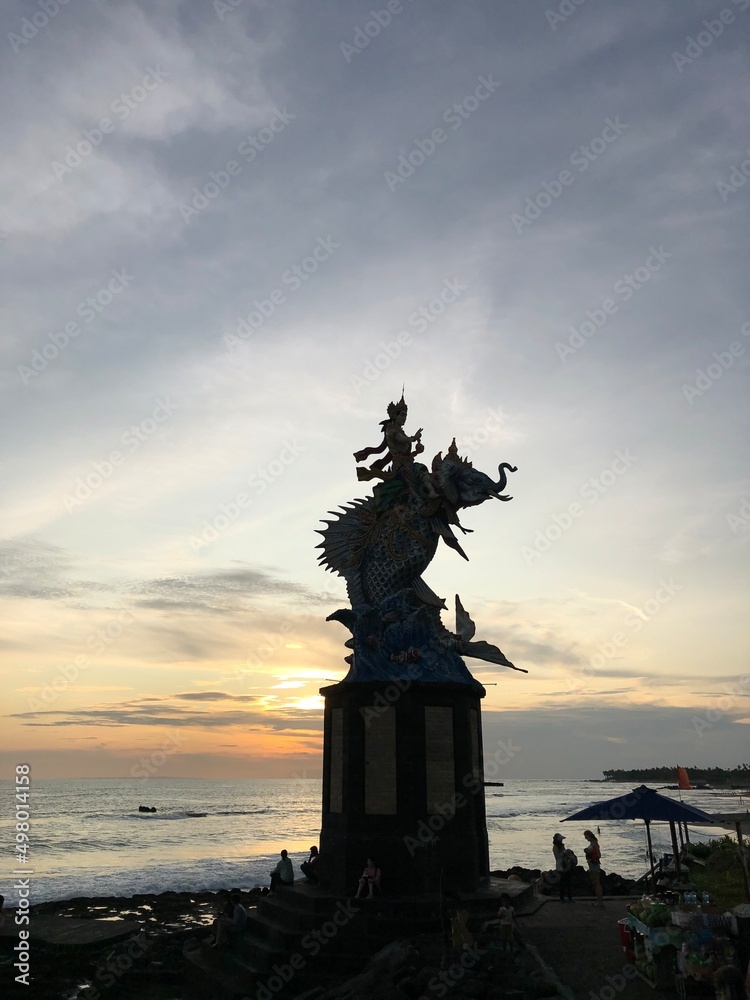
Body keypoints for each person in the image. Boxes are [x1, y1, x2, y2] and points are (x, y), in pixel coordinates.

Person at [583, 830, 604, 908]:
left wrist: (590, 854)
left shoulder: (595, 843)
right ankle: (598, 900)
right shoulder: (592, 843)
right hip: (591, 864)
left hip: (594, 864)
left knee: (597, 883)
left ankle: (600, 901)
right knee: (595, 883)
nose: (585, 838)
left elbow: (598, 854)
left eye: (586, 837)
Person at [552, 832, 574, 903]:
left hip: (566, 865)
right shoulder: (555, 847)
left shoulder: (562, 846)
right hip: (560, 867)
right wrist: (564, 852)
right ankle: (562, 898)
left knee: (569, 882)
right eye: (560, 839)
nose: (562, 841)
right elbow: (557, 856)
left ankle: (570, 897)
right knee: (562, 883)